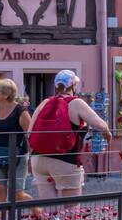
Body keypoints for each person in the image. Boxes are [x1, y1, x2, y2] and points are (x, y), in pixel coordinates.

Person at [28, 70, 111, 201]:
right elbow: (100, 124)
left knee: (49, 209)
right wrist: (107, 135)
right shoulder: (76, 103)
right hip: (66, 159)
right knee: (71, 211)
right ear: (73, 86)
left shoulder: (44, 103)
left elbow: (29, 132)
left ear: (56, 86)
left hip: (39, 160)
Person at [0, 78, 32, 205]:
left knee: (17, 194)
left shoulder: (20, 112)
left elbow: (30, 135)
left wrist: (32, 158)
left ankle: (37, 211)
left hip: (18, 155)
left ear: (6, 95)